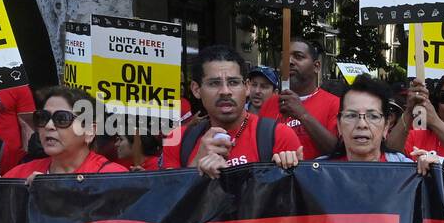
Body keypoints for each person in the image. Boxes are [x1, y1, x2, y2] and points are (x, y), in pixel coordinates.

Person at [161, 45, 303, 179]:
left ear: (246, 87)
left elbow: (295, 201)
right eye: (214, 83)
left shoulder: (279, 135)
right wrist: (195, 164)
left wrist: (288, 171)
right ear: (196, 89)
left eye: (233, 82)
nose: (225, 92)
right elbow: (169, 201)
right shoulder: (176, 140)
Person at [0, 86, 127, 180]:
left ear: (90, 130)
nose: (49, 126)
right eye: (43, 117)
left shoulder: (113, 178)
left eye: (62, 119)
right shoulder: (18, 176)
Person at [259, 38, 341, 159]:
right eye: (284, 58)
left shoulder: (335, 103)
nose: (290, 62)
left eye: (299, 56)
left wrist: (303, 115)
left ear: (316, 66)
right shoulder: (269, 104)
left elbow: (336, 150)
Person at [328, 74, 412, 163]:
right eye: (352, 115)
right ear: (339, 125)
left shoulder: (409, 171)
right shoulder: (318, 172)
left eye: (373, 116)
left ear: (386, 126)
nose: (362, 124)